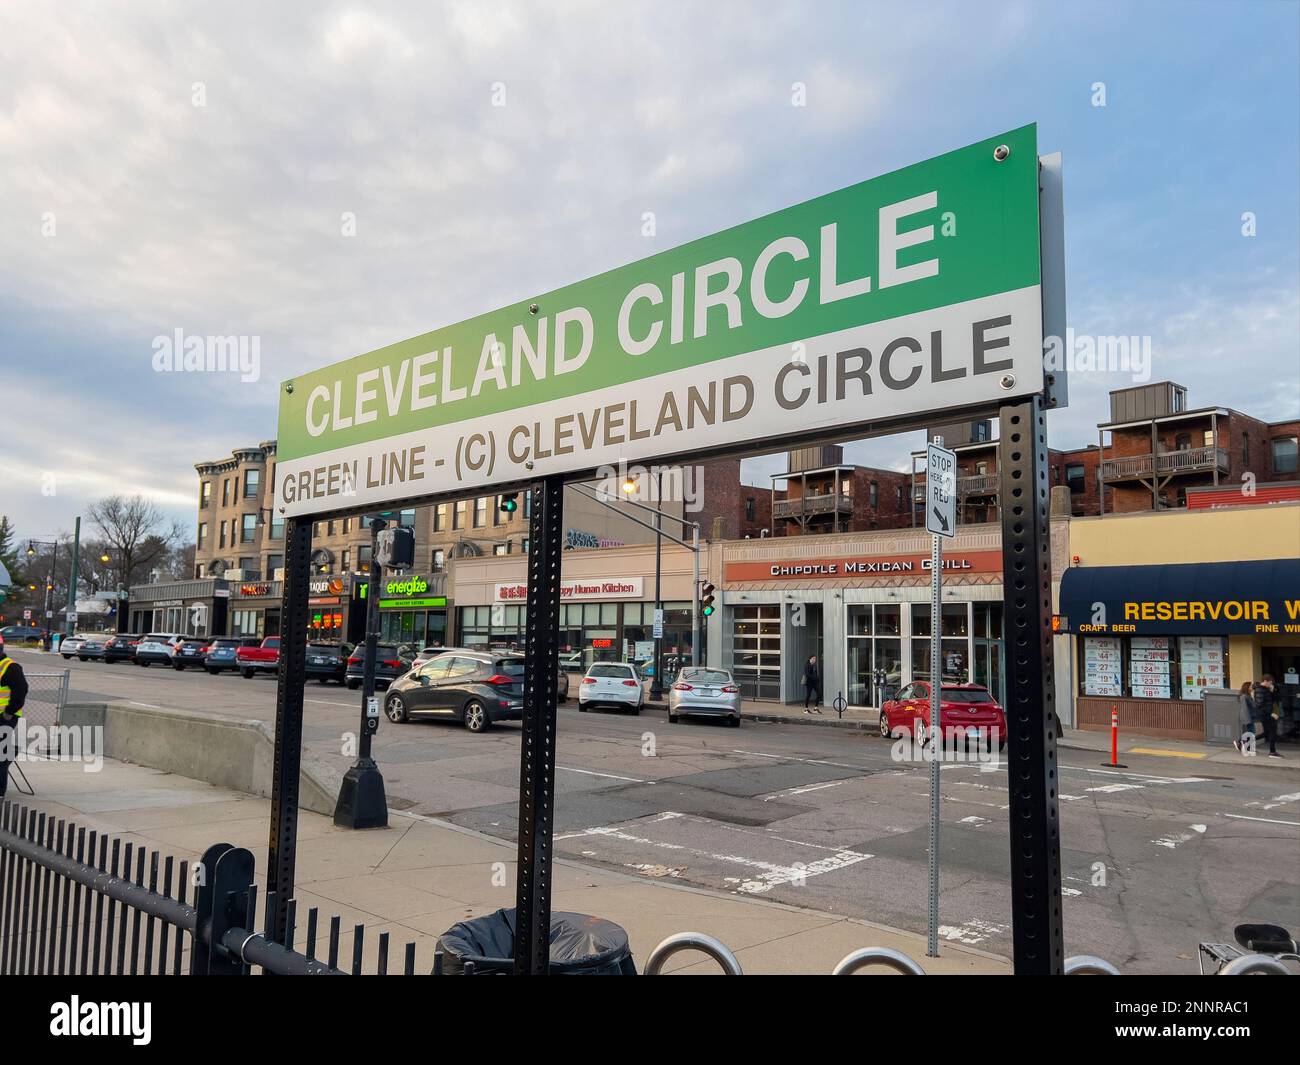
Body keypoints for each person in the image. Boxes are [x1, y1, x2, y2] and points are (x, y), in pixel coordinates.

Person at [0, 648, 30, 798]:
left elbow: (21, 690)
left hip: (4, 717)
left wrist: (9, 711)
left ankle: (0, 792)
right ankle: (11, 751)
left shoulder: (10, 667)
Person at [1253, 674, 1281, 758]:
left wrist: (1272, 691)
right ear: (1265, 681)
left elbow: (1275, 700)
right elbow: (1259, 705)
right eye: (1270, 683)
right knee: (1272, 732)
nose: (1271, 684)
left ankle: (1243, 741)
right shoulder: (1259, 690)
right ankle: (1272, 752)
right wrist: (1271, 713)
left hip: (1268, 713)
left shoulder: (1266, 689)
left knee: (1267, 733)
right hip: (1266, 714)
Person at [1233, 680, 1257, 754]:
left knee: (1251, 733)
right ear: (1247, 687)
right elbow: (1244, 709)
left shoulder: (1248, 696)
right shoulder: (1244, 696)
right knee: (1251, 732)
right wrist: (1246, 720)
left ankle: (1243, 745)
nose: (1252, 687)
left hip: (1250, 717)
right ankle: (1240, 743)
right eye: (1250, 686)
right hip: (1248, 718)